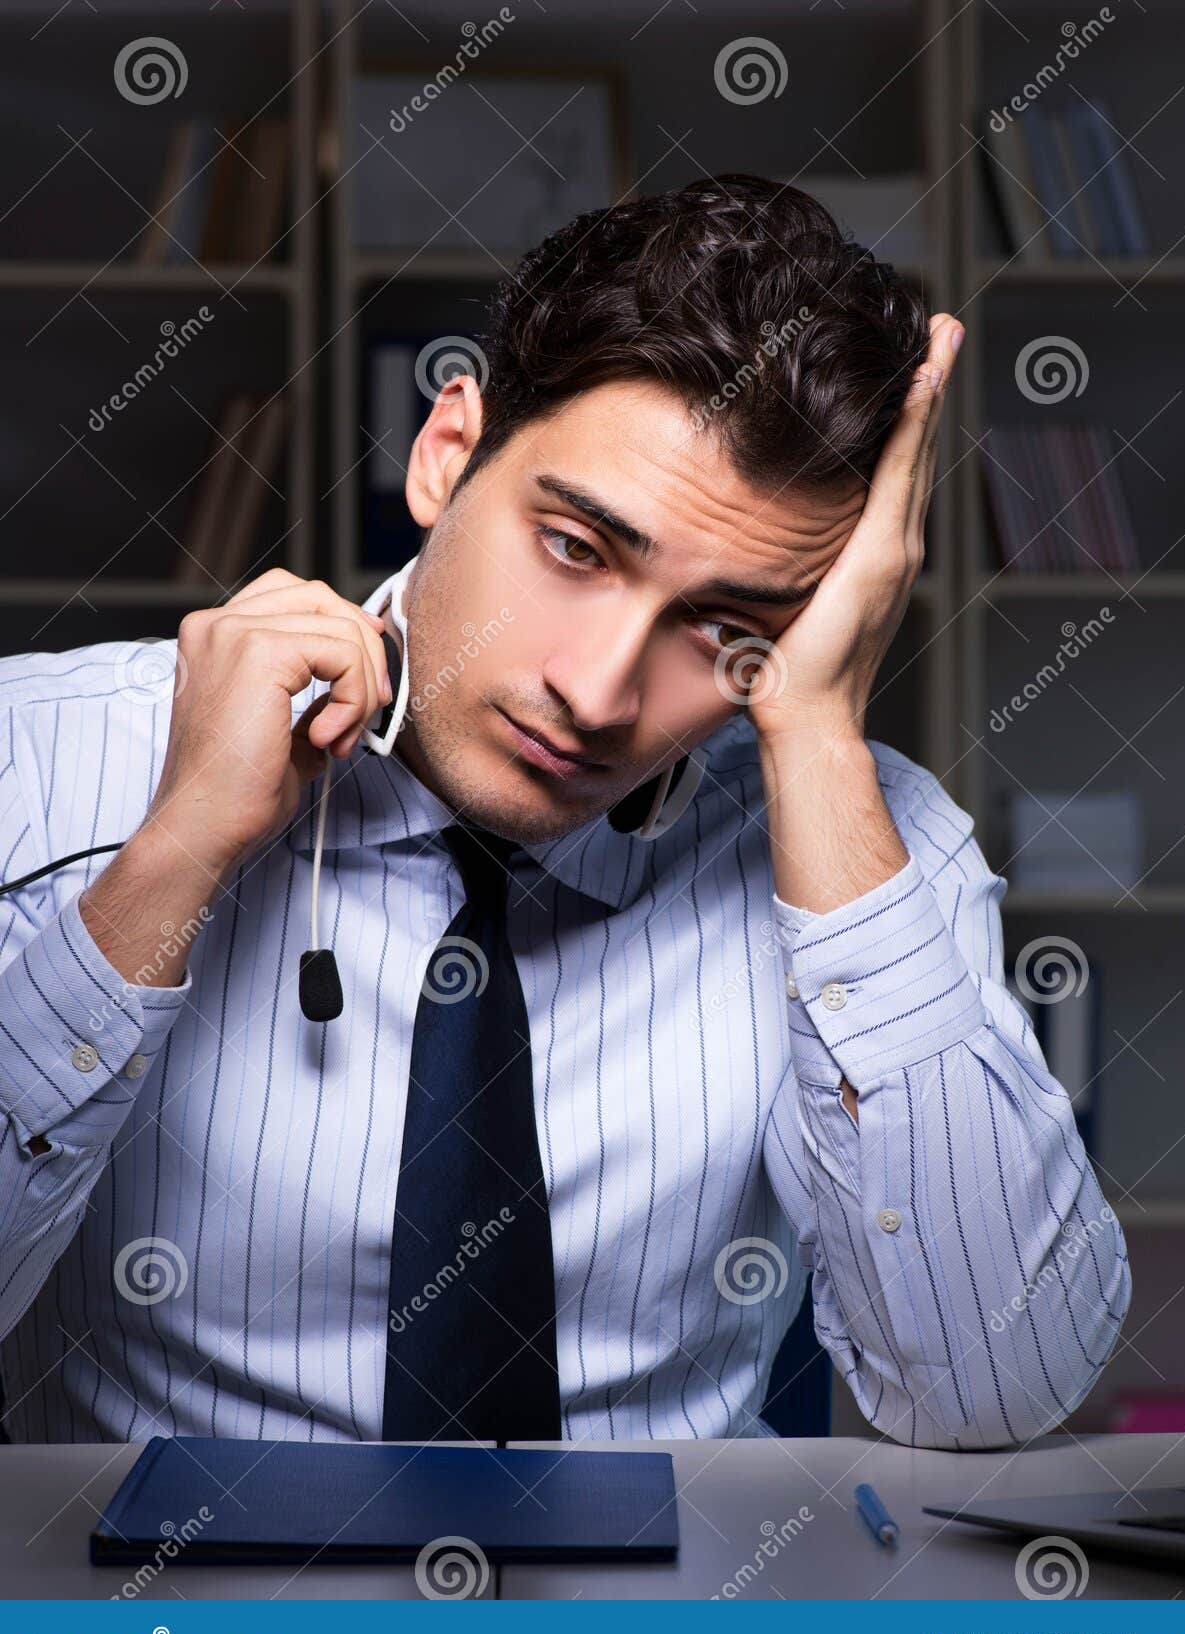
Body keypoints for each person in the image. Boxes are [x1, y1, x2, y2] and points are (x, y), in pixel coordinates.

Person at [0, 175, 1127, 1448]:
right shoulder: (42, 753)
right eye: (578, 551)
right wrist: (171, 860)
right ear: (445, 455)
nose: (595, 694)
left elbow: (993, 1392)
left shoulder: (863, 836)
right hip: (171, 1631)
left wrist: (812, 732)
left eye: (726, 628)